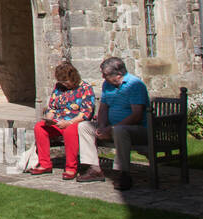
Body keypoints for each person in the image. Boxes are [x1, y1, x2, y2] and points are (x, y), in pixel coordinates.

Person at [76, 56, 150, 190]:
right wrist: (102, 126)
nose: (103, 78)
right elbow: (104, 107)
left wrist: (112, 128)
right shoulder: (107, 85)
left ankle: (123, 174)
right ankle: (94, 168)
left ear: (118, 74)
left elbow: (136, 115)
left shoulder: (134, 85)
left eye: (105, 75)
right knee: (84, 126)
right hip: (112, 128)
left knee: (120, 130)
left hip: (137, 130)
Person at [29, 61, 96, 179]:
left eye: (66, 81)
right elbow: (52, 107)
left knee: (70, 131)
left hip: (75, 122)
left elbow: (85, 113)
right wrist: (49, 117)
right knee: (40, 127)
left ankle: (71, 168)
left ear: (73, 77)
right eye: (62, 82)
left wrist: (69, 122)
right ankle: (45, 164)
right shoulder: (59, 88)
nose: (64, 84)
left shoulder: (85, 88)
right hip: (58, 122)